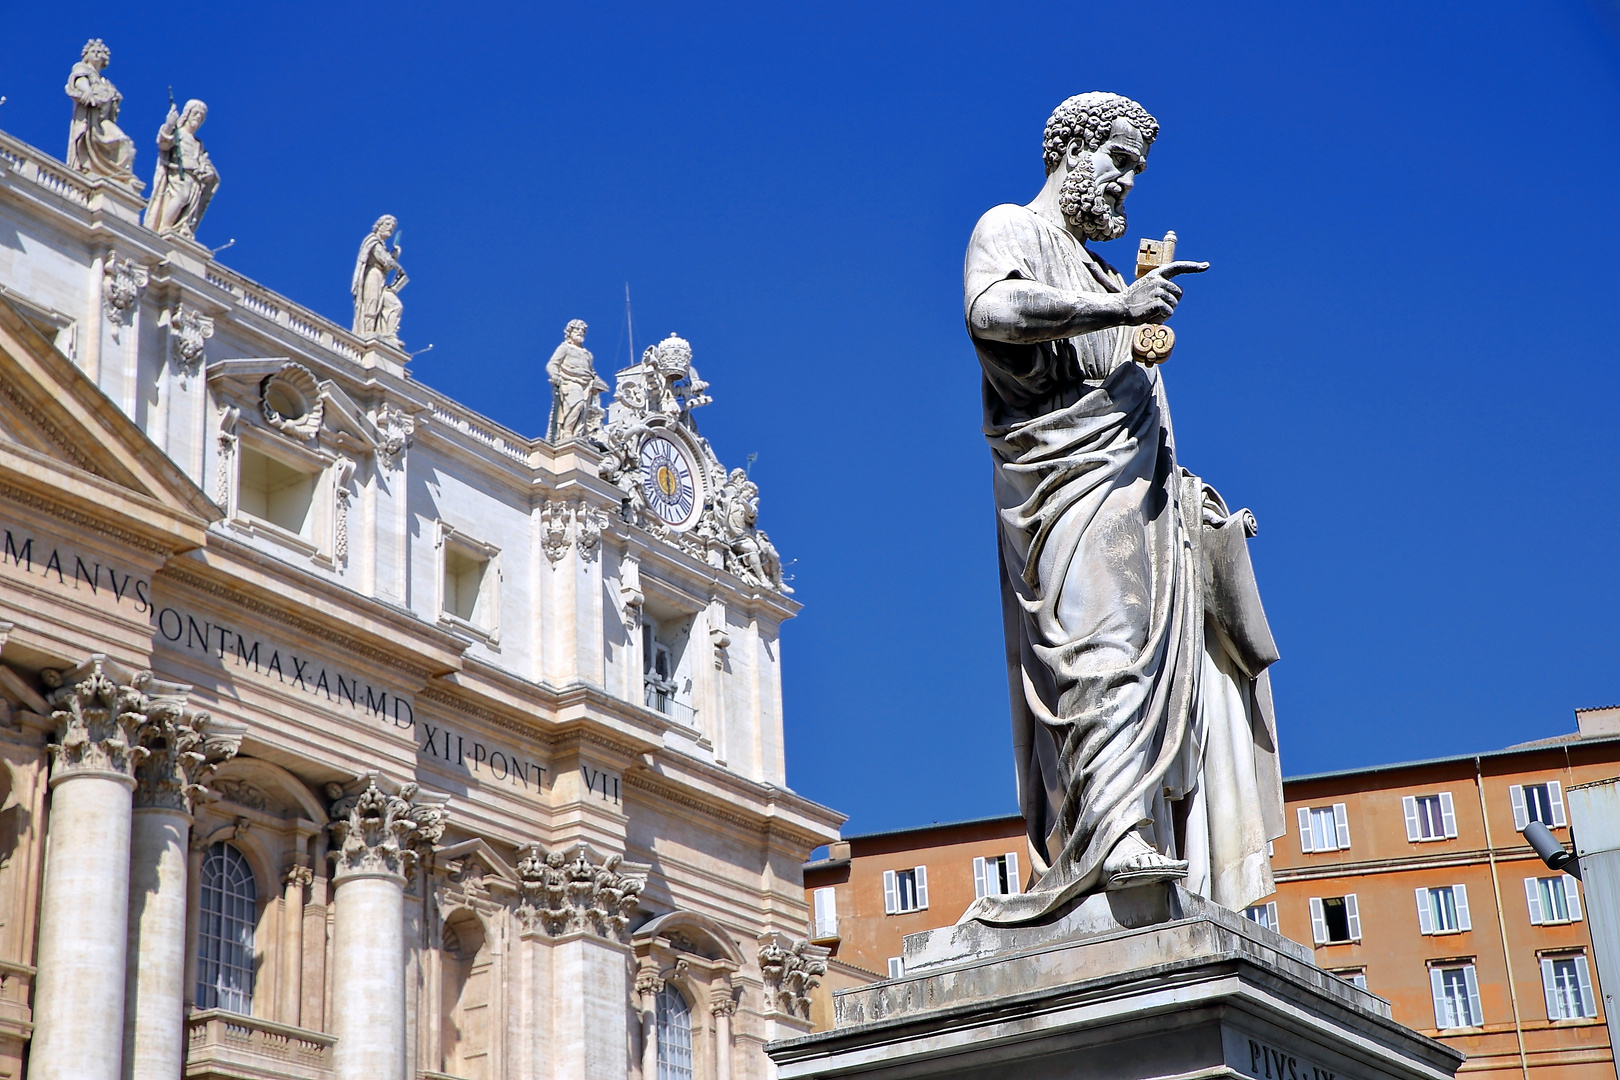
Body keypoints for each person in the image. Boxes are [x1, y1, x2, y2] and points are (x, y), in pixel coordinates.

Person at [962, 92, 1283, 923]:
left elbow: (1126, 388)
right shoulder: (1011, 228)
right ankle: (1109, 840)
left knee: (1140, 662)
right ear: (1070, 150)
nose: (1128, 183)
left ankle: (1134, 828)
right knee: (1095, 643)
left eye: (1137, 169)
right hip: (1062, 487)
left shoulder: (1108, 272)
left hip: (1141, 500)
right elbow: (989, 309)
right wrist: (1118, 308)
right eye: (1120, 160)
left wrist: (1197, 508)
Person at [64, 39, 137, 185]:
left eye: (100, 52)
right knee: (91, 141)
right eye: (93, 51)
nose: (97, 54)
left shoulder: (105, 82)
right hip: (90, 117)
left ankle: (119, 177)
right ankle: (89, 167)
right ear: (86, 55)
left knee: (125, 143)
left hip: (102, 121)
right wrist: (88, 92)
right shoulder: (81, 67)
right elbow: (79, 80)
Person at [143, 100, 218, 238]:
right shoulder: (178, 134)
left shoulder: (198, 143)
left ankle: (179, 227)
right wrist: (170, 124)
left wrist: (207, 171)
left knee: (189, 203)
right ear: (187, 114)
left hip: (195, 179)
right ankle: (165, 225)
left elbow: (204, 161)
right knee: (181, 196)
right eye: (195, 113)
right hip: (179, 174)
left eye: (201, 117)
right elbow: (164, 144)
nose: (198, 117)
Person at [546, 320, 606, 440]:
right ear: (570, 332)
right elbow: (552, 364)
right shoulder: (565, 348)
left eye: (582, 331)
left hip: (586, 385)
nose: (580, 332)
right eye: (577, 330)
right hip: (570, 381)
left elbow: (592, 372)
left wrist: (600, 384)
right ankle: (567, 432)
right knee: (577, 404)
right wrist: (556, 376)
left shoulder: (587, 354)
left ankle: (576, 434)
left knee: (583, 409)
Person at [351, 216, 406, 343]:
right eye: (387, 224)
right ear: (379, 225)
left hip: (381, 277)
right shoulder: (373, 241)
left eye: (392, 227)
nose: (390, 229)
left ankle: (388, 334)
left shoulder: (383, 246)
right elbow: (384, 260)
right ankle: (368, 331)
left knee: (395, 305)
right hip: (373, 274)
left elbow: (387, 263)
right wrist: (396, 265)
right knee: (372, 302)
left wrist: (395, 255)